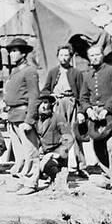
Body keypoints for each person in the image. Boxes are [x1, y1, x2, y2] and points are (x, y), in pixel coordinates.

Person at [82, 42, 112, 194]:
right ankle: (107, 177)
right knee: (98, 148)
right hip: (94, 116)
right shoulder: (87, 75)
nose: (94, 58)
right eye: (91, 55)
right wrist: (88, 110)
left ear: (102, 55)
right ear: (88, 58)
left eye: (97, 54)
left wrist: (107, 109)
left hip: (110, 114)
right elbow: (83, 97)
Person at [43, 44, 88, 175]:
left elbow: (82, 93)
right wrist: (51, 96)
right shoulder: (53, 72)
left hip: (72, 103)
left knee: (76, 134)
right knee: (60, 135)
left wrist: (81, 111)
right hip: (58, 104)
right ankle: (61, 166)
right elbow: (46, 89)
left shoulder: (76, 73)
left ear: (71, 56)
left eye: (66, 55)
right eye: (61, 55)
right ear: (57, 56)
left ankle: (81, 167)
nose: (63, 58)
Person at [17, 90, 74, 195]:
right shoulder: (34, 120)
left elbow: (69, 138)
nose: (44, 106)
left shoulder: (58, 117)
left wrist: (57, 154)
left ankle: (56, 176)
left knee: (47, 166)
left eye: (46, 102)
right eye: (41, 103)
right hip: (42, 154)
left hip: (56, 156)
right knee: (24, 165)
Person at [1, 38, 40, 176]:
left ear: (23, 54)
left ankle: (32, 177)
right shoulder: (14, 71)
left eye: (14, 51)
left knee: (30, 149)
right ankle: (22, 171)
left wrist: (29, 120)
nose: (11, 54)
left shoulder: (30, 71)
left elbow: (34, 97)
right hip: (13, 115)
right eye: (10, 51)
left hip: (23, 116)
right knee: (19, 151)